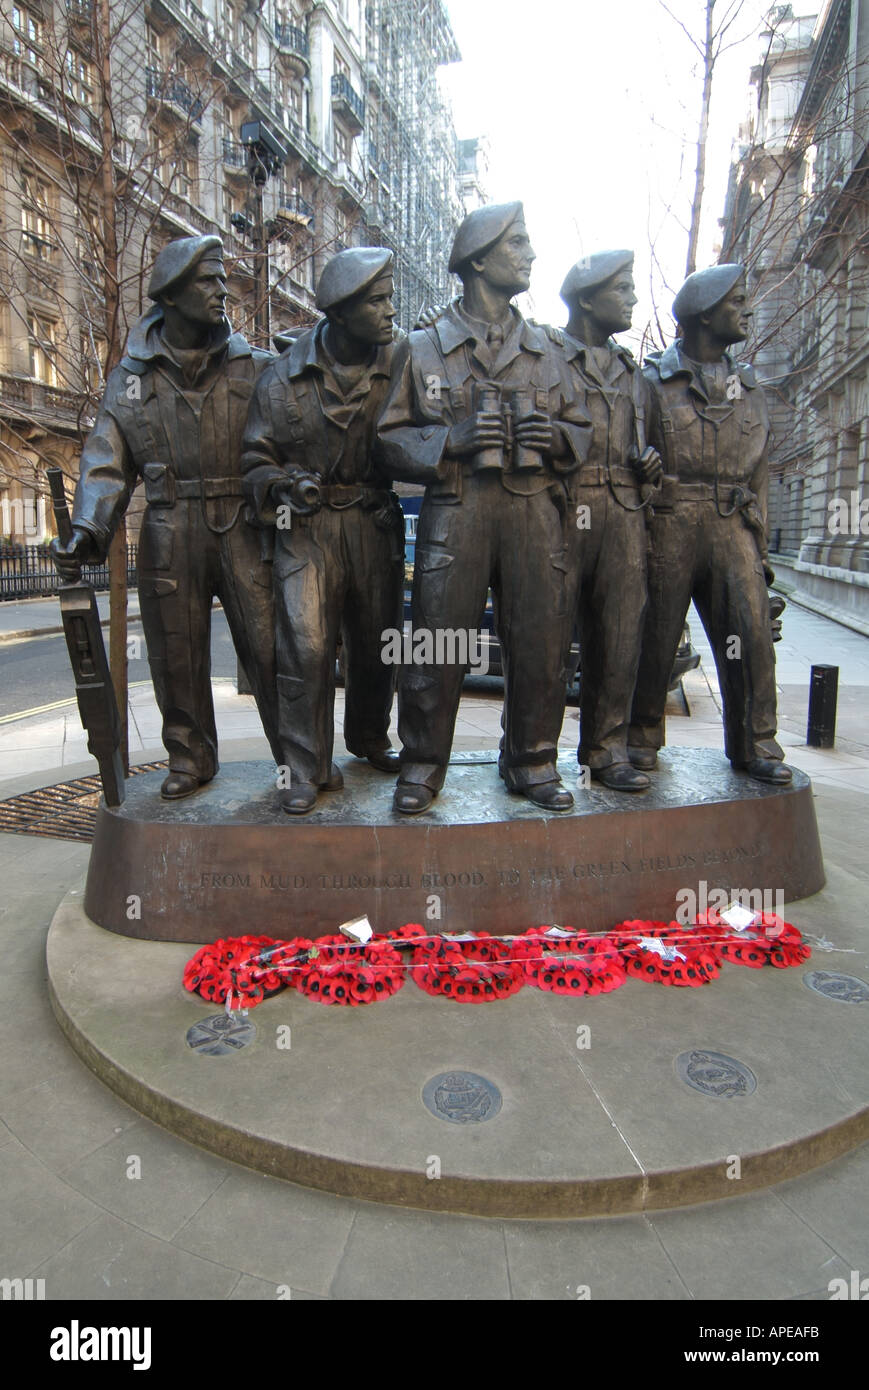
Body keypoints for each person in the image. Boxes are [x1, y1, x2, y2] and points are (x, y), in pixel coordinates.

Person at [378, 201, 592, 814]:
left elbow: (581, 432)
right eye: (517, 243)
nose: (530, 254)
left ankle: (532, 759)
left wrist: (552, 436)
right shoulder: (421, 349)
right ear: (478, 258)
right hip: (458, 507)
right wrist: (451, 439)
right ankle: (422, 763)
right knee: (437, 645)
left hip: (533, 514)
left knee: (541, 641)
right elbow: (386, 440)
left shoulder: (549, 350)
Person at [51, 235, 279, 799]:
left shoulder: (256, 367)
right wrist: (88, 527)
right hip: (169, 525)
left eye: (223, 279)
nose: (222, 290)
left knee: (273, 643)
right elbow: (106, 460)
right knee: (175, 651)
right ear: (172, 296)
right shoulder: (131, 379)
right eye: (209, 280)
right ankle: (190, 755)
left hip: (241, 525)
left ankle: (298, 755)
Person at [241, 247, 404, 814]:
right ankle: (303, 767)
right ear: (342, 311)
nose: (390, 310)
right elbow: (254, 457)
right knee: (306, 648)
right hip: (306, 530)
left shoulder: (403, 361)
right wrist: (281, 484)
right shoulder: (282, 378)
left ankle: (368, 738)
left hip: (375, 522)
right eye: (379, 301)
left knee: (377, 642)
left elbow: (426, 429)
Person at [628, 263, 792, 784]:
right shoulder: (650, 382)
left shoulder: (752, 390)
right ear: (703, 314)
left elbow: (760, 480)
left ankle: (756, 741)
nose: (745, 309)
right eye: (735, 300)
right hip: (669, 521)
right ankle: (640, 737)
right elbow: (626, 458)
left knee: (749, 634)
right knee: (654, 634)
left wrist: (762, 564)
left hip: (733, 527)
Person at [559, 250, 662, 791]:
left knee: (621, 635)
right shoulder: (547, 356)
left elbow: (651, 454)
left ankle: (607, 748)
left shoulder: (632, 374)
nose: (632, 299)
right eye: (622, 288)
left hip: (623, 511)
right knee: (546, 637)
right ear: (588, 298)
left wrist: (650, 467)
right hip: (562, 506)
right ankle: (527, 751)